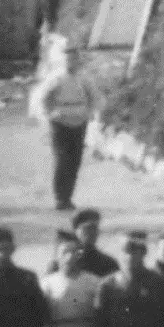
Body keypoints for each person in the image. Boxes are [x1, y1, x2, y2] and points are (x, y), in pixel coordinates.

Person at [25, 33, 98, 212]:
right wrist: (49, 114)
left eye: (74, 59)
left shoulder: (84, 79)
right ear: (63, 60)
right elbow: (41, 99)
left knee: (75, 160)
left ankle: (68, 196)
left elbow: (95, 98)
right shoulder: (55, 78)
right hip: (60, 121)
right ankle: (60, 197)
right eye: (68, 59)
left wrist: (90, 112)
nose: (71, 62)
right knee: (62, 160)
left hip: (79, 120)